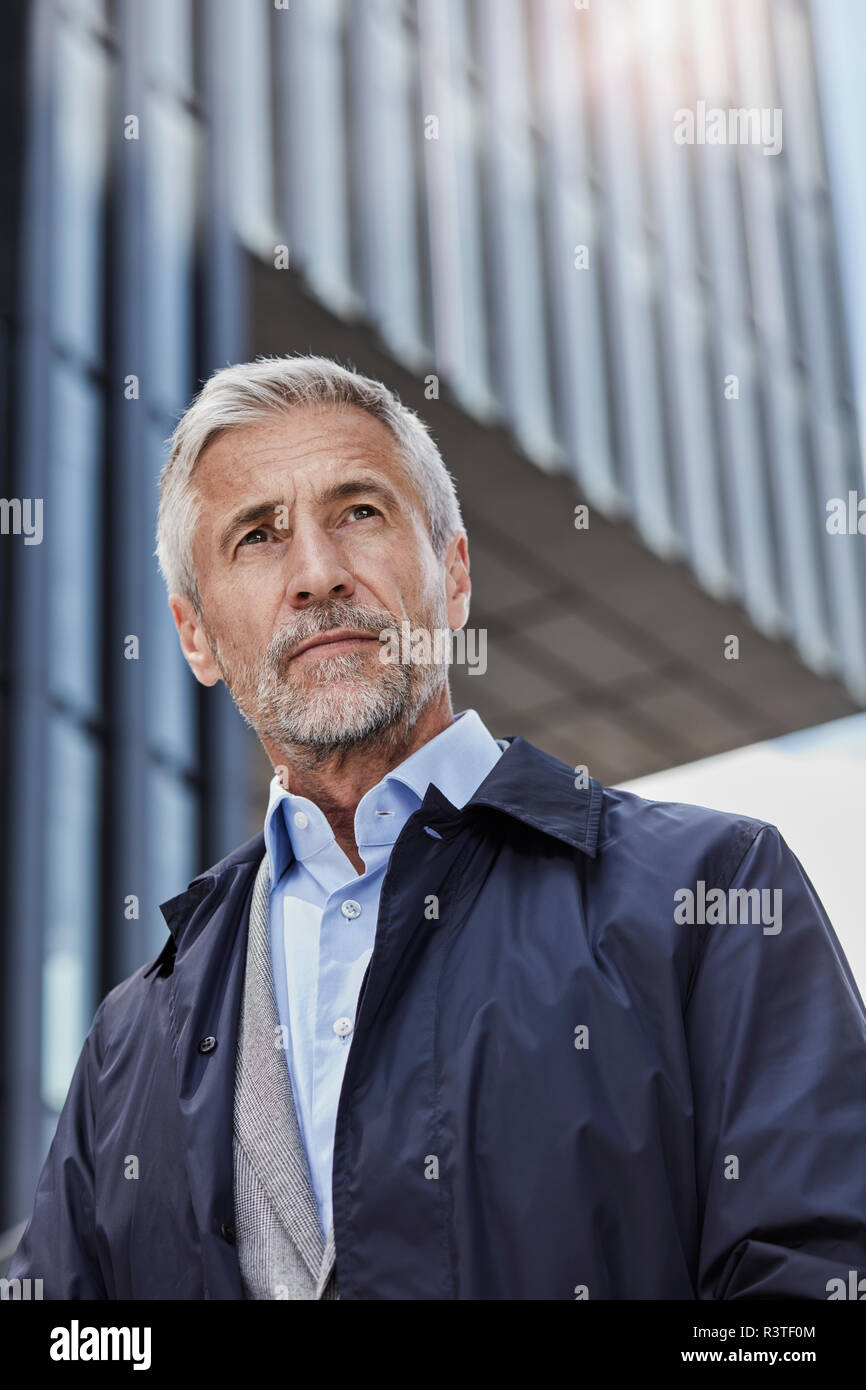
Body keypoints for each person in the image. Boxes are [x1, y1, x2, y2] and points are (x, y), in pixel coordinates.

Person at [10, 356, 866, 1299]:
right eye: (257, 536)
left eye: (359, 514)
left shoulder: (716, 893)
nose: (318, 575)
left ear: (453, 576)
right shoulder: (129, 1038)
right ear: (197, 636)